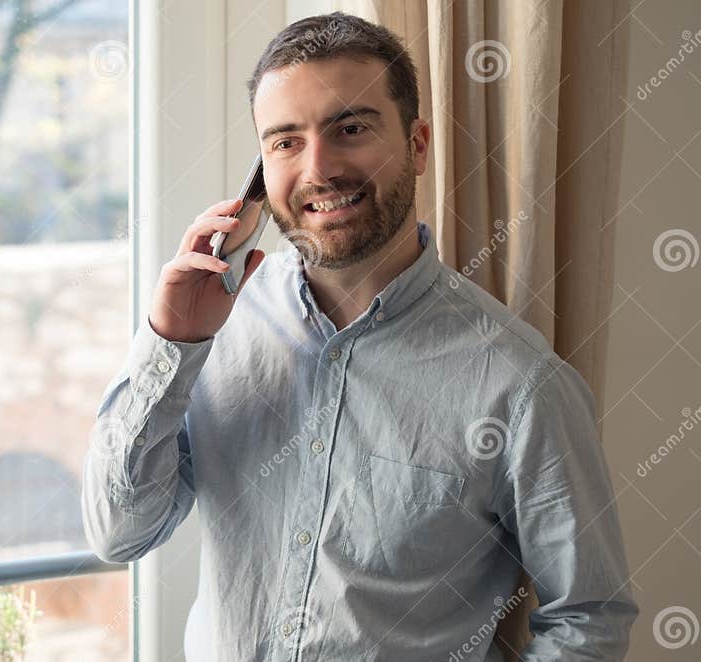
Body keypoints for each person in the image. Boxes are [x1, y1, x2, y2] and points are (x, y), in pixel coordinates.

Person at [81, 11, 638, 661]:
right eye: (285, 141)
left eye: (350, 128)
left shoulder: (519, 385)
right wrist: (170, 342)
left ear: (419, 144)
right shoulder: (208, 331)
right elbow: (118, 534)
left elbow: (590, 618)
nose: (319, 168)